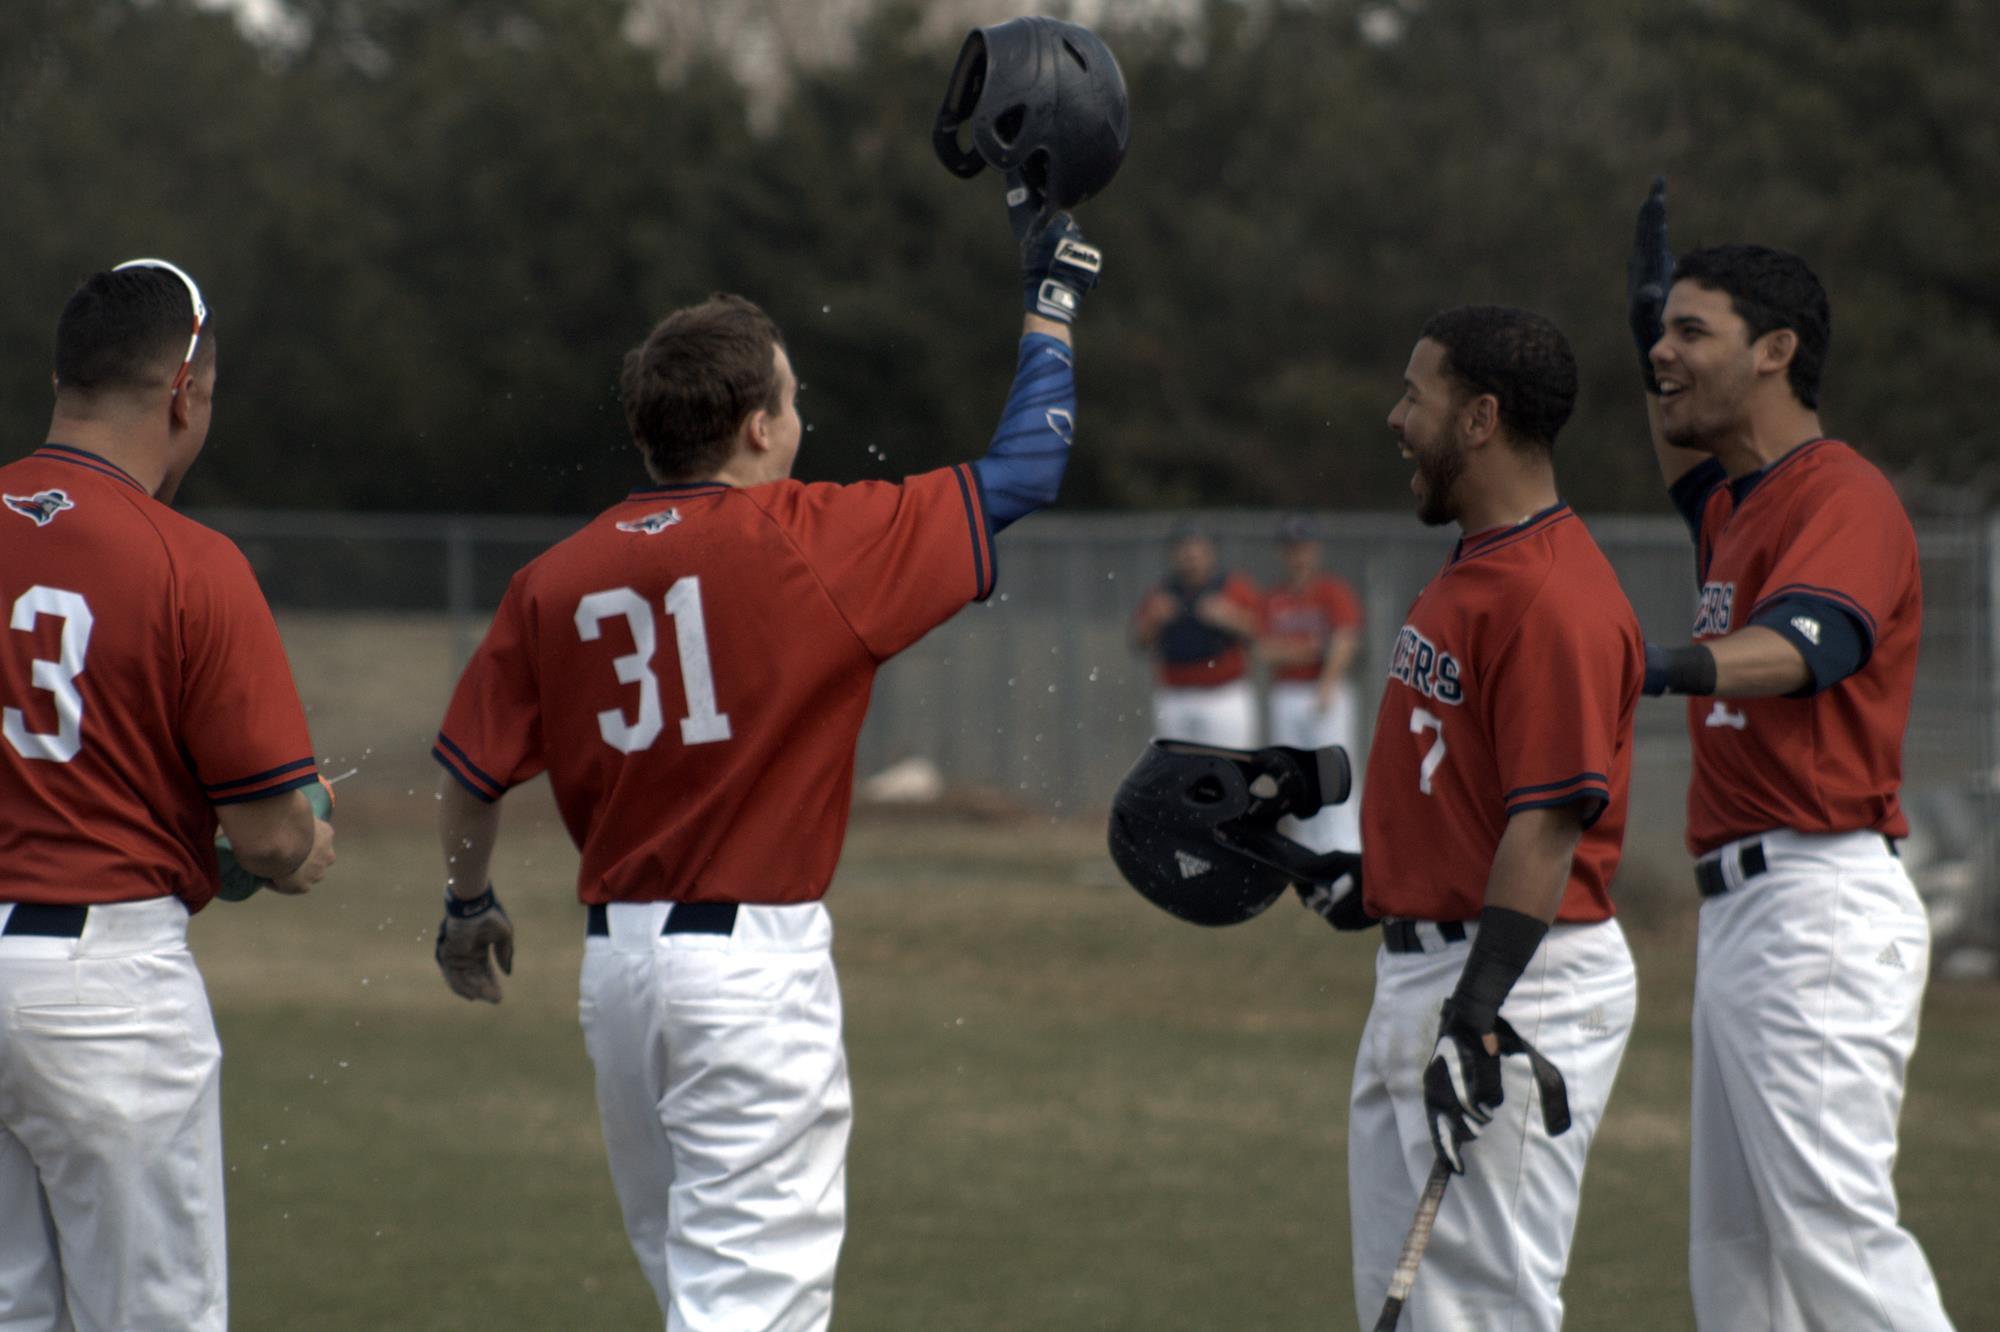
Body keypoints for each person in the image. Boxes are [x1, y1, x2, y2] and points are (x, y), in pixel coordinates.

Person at [423, 186, 1100, 1327]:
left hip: (619, 978)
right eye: (790, 398)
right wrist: (1050, 301)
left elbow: (471, 774)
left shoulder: (555, 577)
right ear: (754, 429)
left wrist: (464, 903)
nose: (801, 415)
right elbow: (1025, 470)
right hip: (745, 974)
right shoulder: (807, 541)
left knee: (695, 1293)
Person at [1626, 180, 1954, 1330]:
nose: (1663, 351)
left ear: (1775, 351)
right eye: (1660, 330)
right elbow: (1678, 458)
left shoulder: (1840, 494)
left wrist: (1657, 666)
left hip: (1813, 899)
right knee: (1737, 1255)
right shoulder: (1735, 501)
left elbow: (1811, 646)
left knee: (1830, 1242)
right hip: (1748, 913)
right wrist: (1648, 349)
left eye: (1688, 331)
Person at [0, 259, 336, 1330]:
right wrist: (298, 839)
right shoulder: (189, 560)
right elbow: (274, 836)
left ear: (66, 376)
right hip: (103, 985)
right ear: (183, 390)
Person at [1307, 306, 1642, 1330]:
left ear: (1479, 418)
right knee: (1408, 1311)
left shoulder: (1548, 594)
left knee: (1479, 1311)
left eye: (1418, 394)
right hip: (1438, 969)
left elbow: (1547, 823)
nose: (1397, 415)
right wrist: (1372, 883)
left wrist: (1477, 1009)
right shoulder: (1480, 560)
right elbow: (1467, 792)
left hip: (1510, 983)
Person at [1258, 515, 1363, 851]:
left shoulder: (1331, 591)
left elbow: (1345, 639)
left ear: (1314, 550)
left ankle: (1345, 846)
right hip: (1287, 693)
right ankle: (1307, 848)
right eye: (1291, 548)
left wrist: (1327, 682)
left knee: (1333, 772)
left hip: (1324, 689)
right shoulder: (1273, 596)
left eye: (1303, 547)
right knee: (1294, 774)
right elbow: (1264, 651)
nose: (1297, 555)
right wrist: (1310, 650)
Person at [1131, 522, 1263, 748]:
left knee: (1229, 771)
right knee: (1179, 777)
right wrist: (1154, 620)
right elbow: (1138, 641)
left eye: (1196, 548)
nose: (1189, 555)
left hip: (1222, 696)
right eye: (1183, 549)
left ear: (1209, 552)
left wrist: (1229, 617)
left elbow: (1261, 630)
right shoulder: (1163, 592)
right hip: (1175, 696)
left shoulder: (1231, 587)